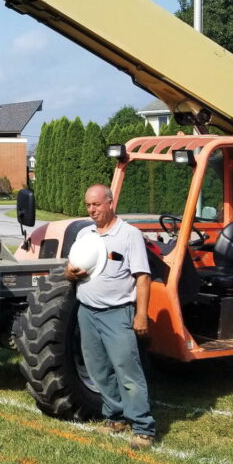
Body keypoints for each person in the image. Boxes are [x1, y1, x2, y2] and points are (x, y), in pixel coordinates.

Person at [64, 183, 156, 449]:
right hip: (87, 312)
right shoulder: (85, 234)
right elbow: (70, 267)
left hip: (117, 313)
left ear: (110, 203)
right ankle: (114, 417)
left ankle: (143, 427)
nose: (92, 210)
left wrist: (141, 315)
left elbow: (143, 277)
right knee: (98, 370)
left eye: (97, 204)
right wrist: (69, 273)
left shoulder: (129, 235)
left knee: (128, 371)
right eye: (88, 205)